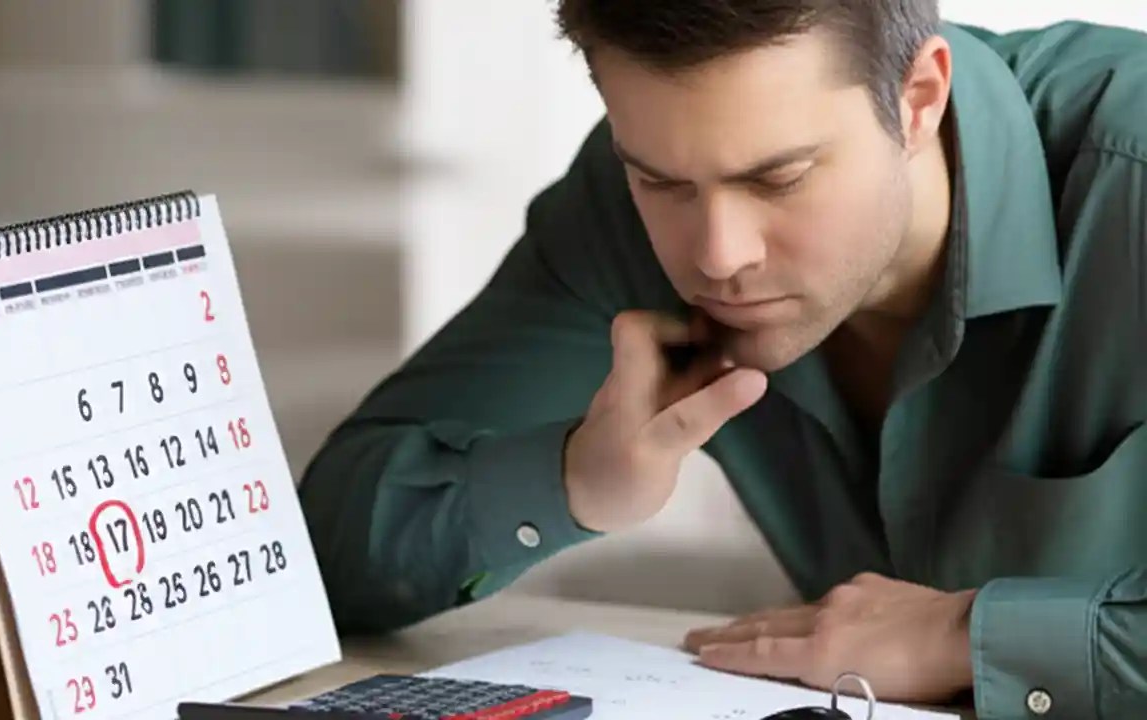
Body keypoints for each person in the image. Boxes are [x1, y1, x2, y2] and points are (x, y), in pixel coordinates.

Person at [297, 1, 1147, 717]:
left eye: (779, 179)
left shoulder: (1131, 176)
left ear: (919, 96)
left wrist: (965, 635)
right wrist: (576, 478)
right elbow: (322, 558)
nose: (717, 255)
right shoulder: (615, 206)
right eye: (660, 183)